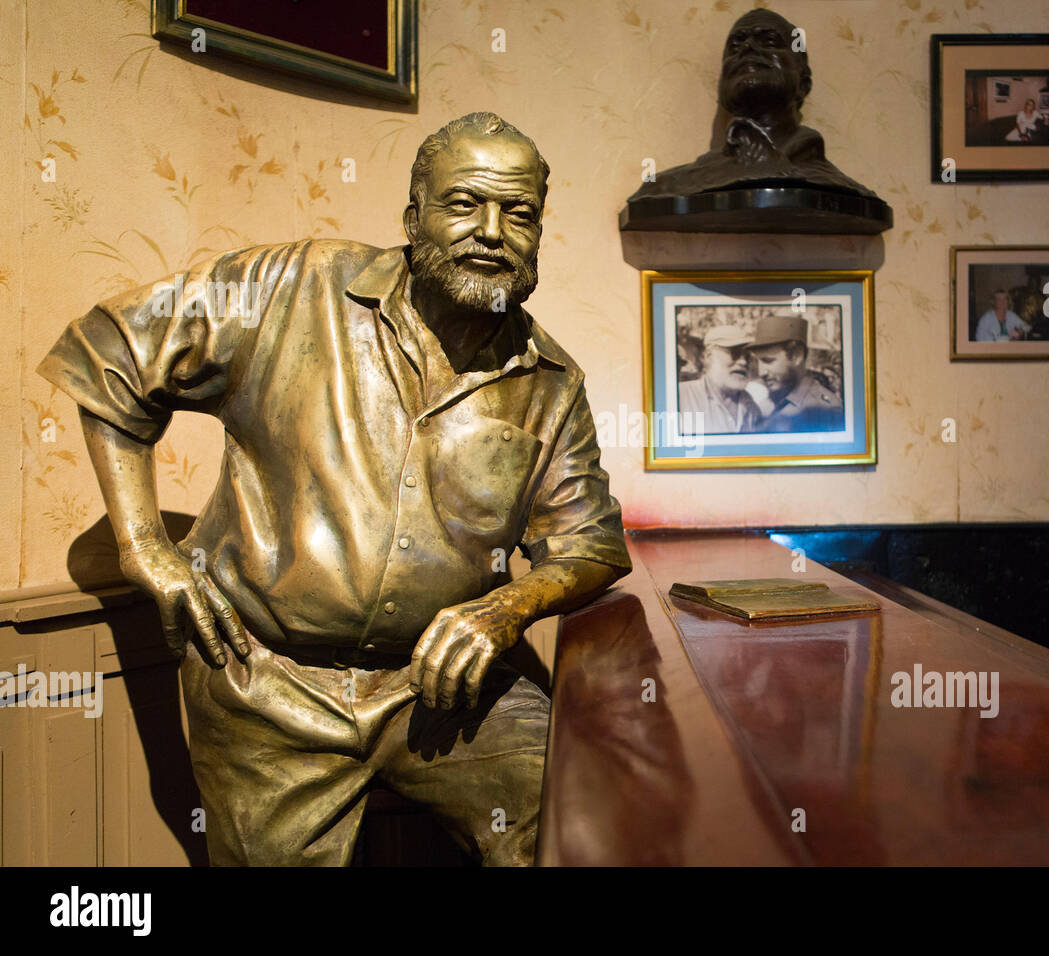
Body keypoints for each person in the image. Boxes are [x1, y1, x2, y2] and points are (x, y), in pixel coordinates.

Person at [36, 112, 631, 866]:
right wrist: (143, 545)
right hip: (266, 690)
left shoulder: (550, 381)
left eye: (519, 213)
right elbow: (111, 349)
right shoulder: (293, 286)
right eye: (463, 204)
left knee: (593, 814)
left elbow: (593, 545)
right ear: (413, 219)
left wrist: (501, 610)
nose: (491, 231)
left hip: (442, 693)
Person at [627, 8, 876, 202]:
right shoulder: (665, 187)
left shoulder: (843, 190)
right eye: (735, 46)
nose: (747, 48)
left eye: (768, 41)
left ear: (804, 83)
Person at [746, 314, 843, 433]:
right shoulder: (771, 399)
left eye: (768, 361)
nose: (761, 372)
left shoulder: (824, 409)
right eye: (758, 362)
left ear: (796, 356)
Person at [677, 325, 762, 434]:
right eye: (735, 353)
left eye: (747, 357)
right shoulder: (682, 397)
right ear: (708, 357)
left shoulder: (752, 408)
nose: (743, 362)